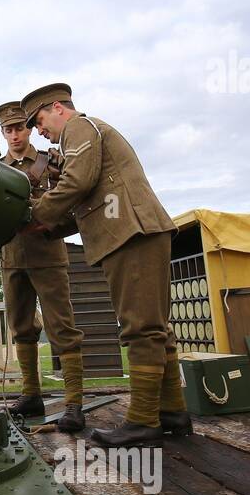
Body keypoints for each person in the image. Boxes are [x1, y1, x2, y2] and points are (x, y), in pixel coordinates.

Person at [20, 83, 191, 446]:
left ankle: (144, 420)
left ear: (57, 108)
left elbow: (77, 183)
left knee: (141, 329)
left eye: (38, 120)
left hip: (130, 232)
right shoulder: (88, 133)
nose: (38, 131)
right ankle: (172, 411)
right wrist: (49, 228)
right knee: (156, 327)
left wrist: (38, 211)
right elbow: (87, 200)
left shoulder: (79, 129)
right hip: (135, 231)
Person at [0, 99, 85, 429]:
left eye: (19, 127)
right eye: (8, 129)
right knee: (21, 328)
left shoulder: (51, 161)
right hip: (12, 257)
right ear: (2, 133)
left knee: (62, 329)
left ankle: (74, 403)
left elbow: (74, 202)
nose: (14, 134)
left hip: (48, 256)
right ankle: (30, 394)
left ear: (29, 129)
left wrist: (50, 225)